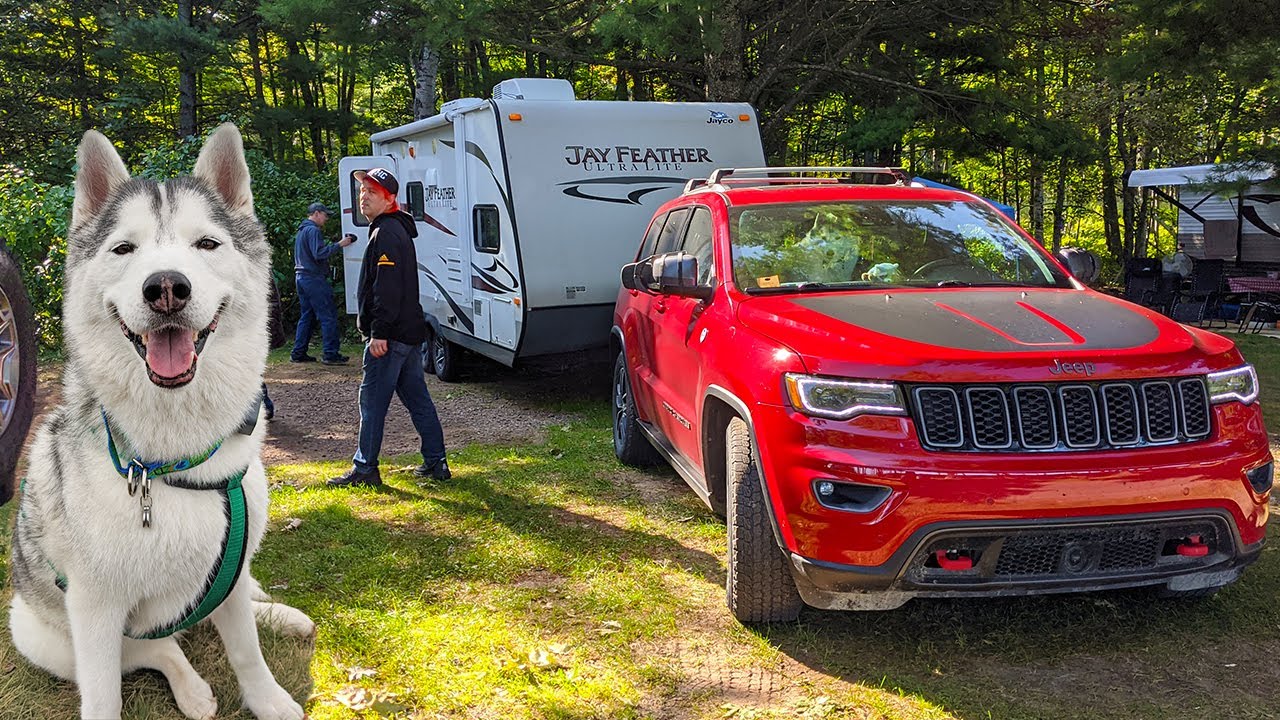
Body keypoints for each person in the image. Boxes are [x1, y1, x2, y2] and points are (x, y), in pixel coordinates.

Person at [328, 168, 450, 488]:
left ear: (390, 198)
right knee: (419, 400)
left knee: (372, 404)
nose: (363, 196)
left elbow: (388, 289)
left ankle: (365, 468)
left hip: (391, 337)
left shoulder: (387, 233)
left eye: (372, 192)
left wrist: (378, 333)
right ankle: (436, 462)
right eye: (362, 191)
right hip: (407, 333)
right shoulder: (393, 229)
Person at [292, 201, 355, 364]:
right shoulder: (313, 231)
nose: (326, 219)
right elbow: (319, 254)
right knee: (328, 316)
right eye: (325, 215)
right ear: (317, 213)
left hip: (301, 277)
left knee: (307, 316)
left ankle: (298, 353)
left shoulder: (302, 231)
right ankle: (330, 354)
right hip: (313, 279)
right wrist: (340, 244)